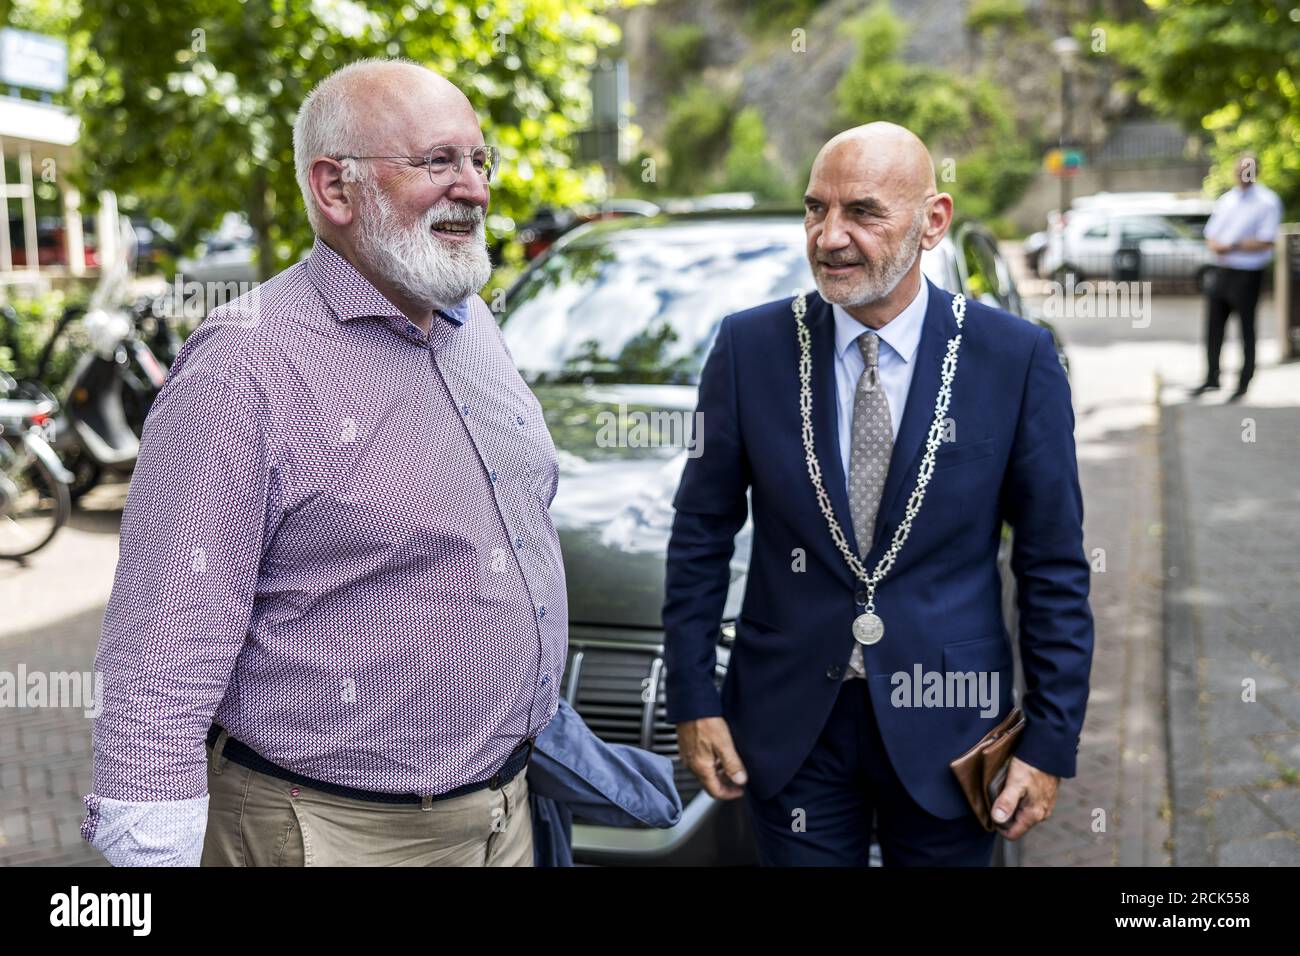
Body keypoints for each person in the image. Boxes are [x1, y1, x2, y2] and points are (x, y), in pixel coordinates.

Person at [81, 58, 568, 866]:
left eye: (479, 160)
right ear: (334, 189)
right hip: (333, 836)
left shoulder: (472, 322)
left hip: (504, 814)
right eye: (437, 161)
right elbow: (163, 642)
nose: (475, 187)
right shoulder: (244, 366)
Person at [662, 122, 1095, 866]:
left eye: (862, 212)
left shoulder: (1014, 359)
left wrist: (1051, 741)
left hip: (951, 723)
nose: (829, 237)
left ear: (933, 221)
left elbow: (1052, 564)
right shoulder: (749, 349)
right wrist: (695, 701)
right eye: (814, 209)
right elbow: (700, 533)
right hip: (791, 724)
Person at [1192, 153, 1283, 402]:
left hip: (1248, 274)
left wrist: (1230, 245)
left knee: (1246, 329)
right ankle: (1212, 377)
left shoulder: (1267, 201)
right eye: (1240, 169)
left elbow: (1265, 241)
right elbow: (1211, 235)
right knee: (1213, 328)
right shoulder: (1227, 200)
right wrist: (1220, 246)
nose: (1243, 174)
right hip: (1222, 271)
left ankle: (1244, 382)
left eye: (1248, 169)